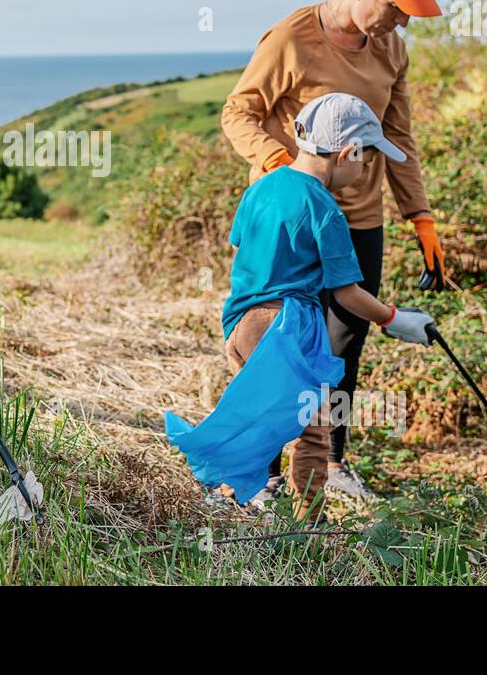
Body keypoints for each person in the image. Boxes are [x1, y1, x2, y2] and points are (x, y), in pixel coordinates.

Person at [220, 0, 449, 501]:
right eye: (395, 7)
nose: (402, 23)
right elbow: (237, 112)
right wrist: (281, 169)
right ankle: (266, 475)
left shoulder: (392, 49)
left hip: (358, 215)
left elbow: (398, 137)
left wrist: (420, 218)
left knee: (344, 348)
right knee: (277, 345)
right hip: (293, 220)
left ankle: (332, 463)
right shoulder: (293, 39)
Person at [167, 93, 435, 523]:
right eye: (365, 160)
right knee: (314, 428)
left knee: (261, 414)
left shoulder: (261, 187)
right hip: (286, 326)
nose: (365, 170)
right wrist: (396, 319)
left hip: (240, 326)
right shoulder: (326, 209)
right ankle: (311, 522)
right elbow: (347, 293)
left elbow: (237, 242)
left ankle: (235, 498)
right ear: (346, 153)